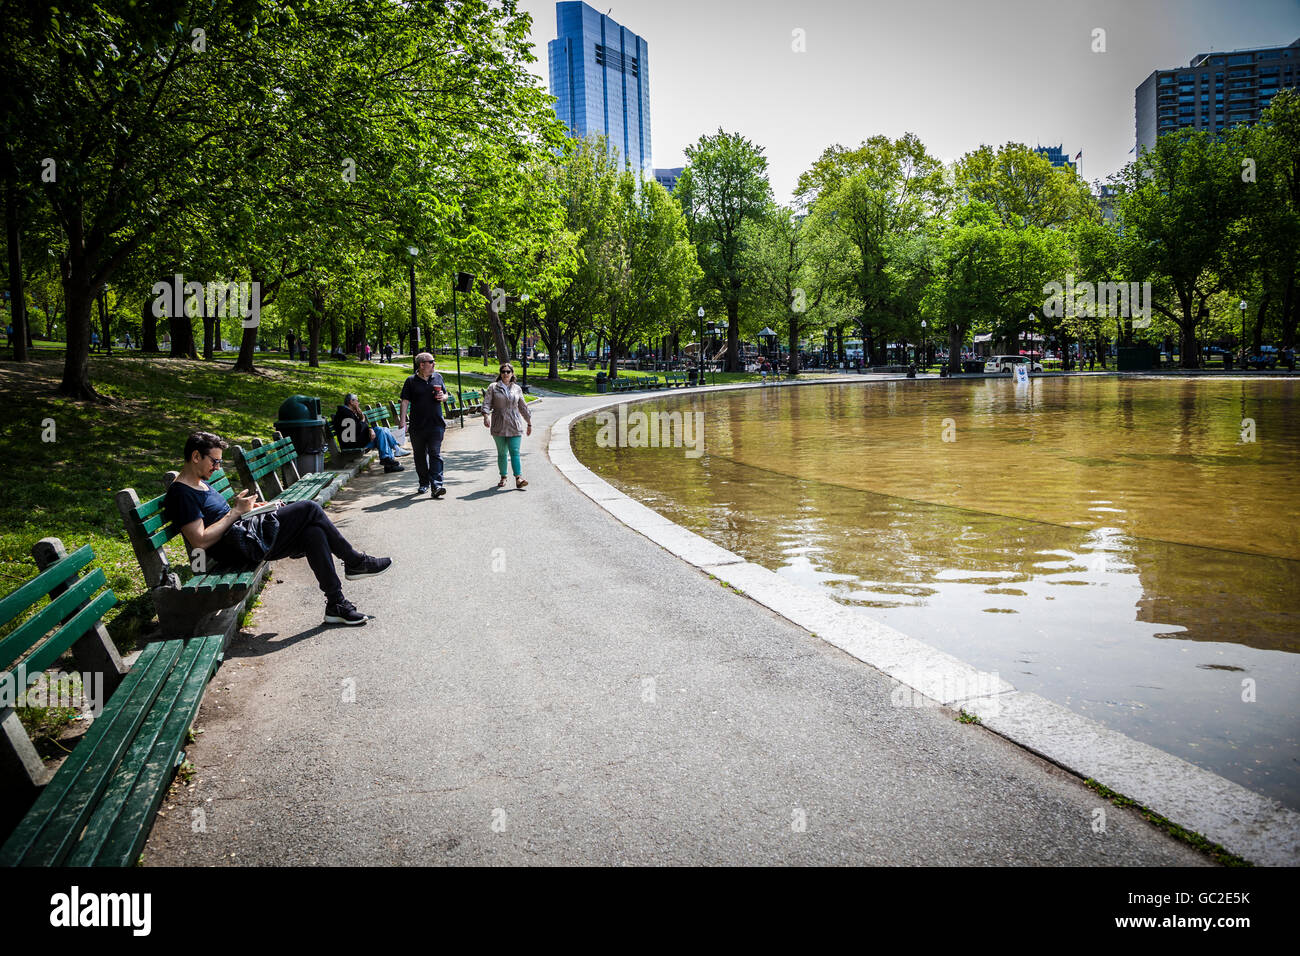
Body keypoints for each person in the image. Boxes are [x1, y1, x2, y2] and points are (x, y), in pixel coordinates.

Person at [163, 431, 390, 626]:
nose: (217, 467)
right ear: (195, 456)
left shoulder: (201, 482)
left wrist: (252, 507)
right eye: (214, 461)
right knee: (309, 509)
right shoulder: (182, 493)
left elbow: (218, 517)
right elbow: (200, 540)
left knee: (314, 533)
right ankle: (355, 561)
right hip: (237, 548)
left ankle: (336, 604)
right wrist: (236, 513)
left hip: (244, 534)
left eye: (219, 462)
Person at [398, 352, 449, 498]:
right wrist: (402, 421)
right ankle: (423, 483)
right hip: (417, 426)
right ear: (422, 365)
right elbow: (405, 401)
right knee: (420, 456)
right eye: (431, 362)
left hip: (436, 424)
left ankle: (437, 485)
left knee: (435, 454)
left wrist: (443, 397)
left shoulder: (438, 377)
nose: (434, 364)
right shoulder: (411, 381)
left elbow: (446, 394)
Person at [481, 363, 532, 489]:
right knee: (502, 452)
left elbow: (523, 407)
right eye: (503, 371)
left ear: (512, 373)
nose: (505, 374)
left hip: (514, 423)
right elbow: (486, 403)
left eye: (508, 371)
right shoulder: (493, 387)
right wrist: (486, 416)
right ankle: (503, 477)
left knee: (515, 451)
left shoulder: (517, 389)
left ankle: (518, 478)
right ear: (500, 373)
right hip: (499, 423)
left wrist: (529, 423)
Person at [332, 393, 406, 472]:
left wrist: (369, 428)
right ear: (351, 402)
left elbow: (357, 429)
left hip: (356, 440)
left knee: (382, 431)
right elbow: (356, 431)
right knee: (381, 432)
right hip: (352, 444)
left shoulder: (347, 412)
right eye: (357, 401)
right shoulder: (345, 414)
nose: (358, 403)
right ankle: (390, 458)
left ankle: (389, 459)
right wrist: (363, 420)